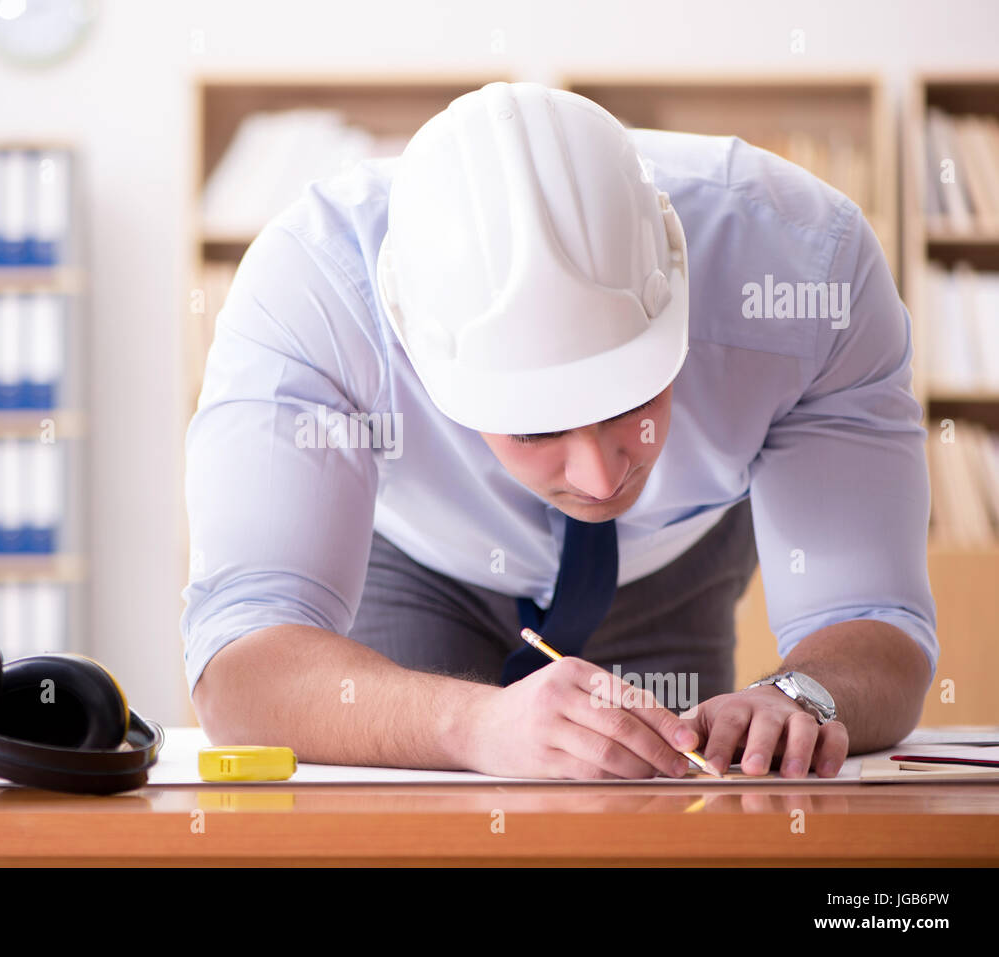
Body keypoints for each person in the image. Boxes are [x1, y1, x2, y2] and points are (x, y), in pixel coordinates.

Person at [181, 81, 936, 780]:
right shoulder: (311, 290)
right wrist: (467, 725)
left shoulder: (810, 271)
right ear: (414, 346)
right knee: (419, 829)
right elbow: (241, 662)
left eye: (632, 399)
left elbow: (874, 617)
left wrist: (801, 697)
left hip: (679, 557)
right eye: (533, 428)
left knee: (672, 823)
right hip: (420, 560)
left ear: (676, 282)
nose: (604, 479)